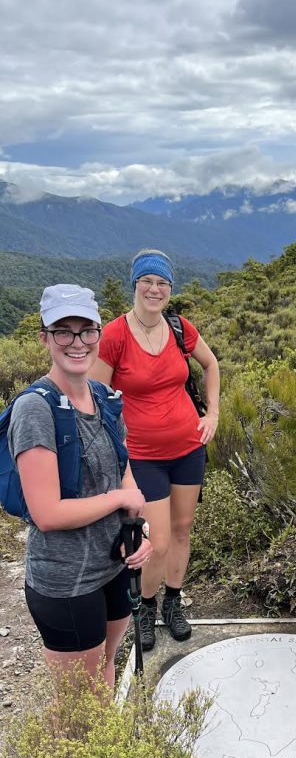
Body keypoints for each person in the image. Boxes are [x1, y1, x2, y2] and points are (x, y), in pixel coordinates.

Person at [8, 284, 150, 691]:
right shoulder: (35, 408)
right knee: (76, 703)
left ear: (99, 334)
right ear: (45, 338)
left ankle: (108, 753)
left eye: (86, 330)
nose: (77, 342)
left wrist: (142, 529)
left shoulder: (104, 396)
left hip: (113, 567)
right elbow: (47, 514)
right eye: (63, 331)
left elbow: (123, 471)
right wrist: (122, 499)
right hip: (66, 582)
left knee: (105, 672)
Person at [92, 249, 220, 651]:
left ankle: (173, 603)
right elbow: (99, 400)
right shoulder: (113, 335)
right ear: (135, 284)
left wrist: (212, 414)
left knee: (183, 530)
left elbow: (211, 365)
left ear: (170, 290)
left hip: (188, 447)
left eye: (162, 283)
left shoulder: (180, 328)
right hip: (142, 455)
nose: (155, 289)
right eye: (147, 281)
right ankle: (145, 607)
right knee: (158, 541)